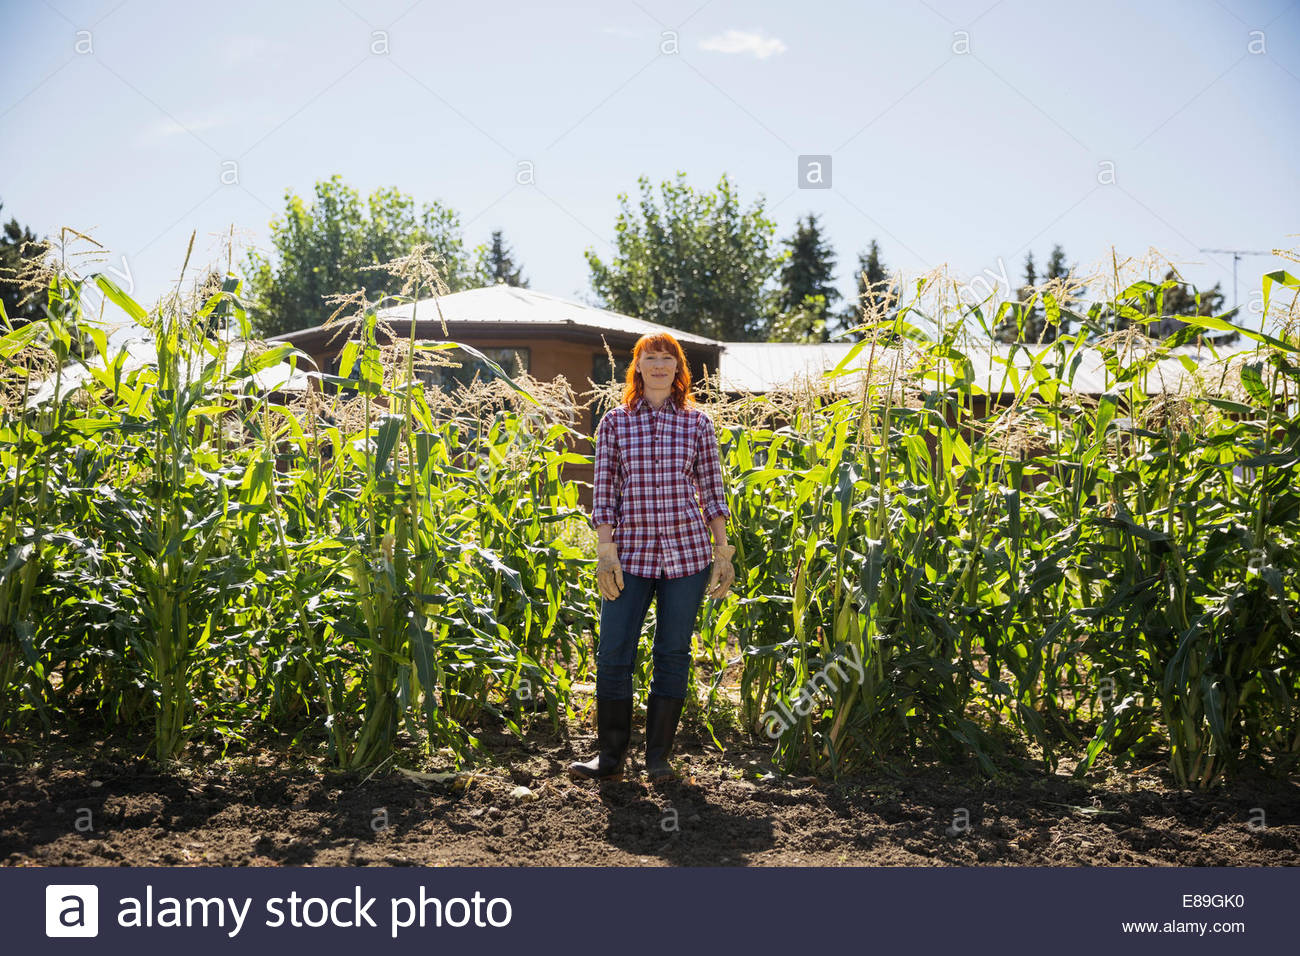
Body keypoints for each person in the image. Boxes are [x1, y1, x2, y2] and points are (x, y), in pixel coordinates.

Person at [569, 333, 736, 784]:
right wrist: (605, 551)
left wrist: (723, 552)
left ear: (678, 369)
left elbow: (712, 491)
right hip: (630, 555)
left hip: (688, 554)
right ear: (637, 368)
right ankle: (610, 759)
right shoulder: (615, 424)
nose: (659, 366)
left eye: (667, 359)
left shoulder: (697, 424)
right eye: (650, 359)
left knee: (673, 652)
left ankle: (658, 759)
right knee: (614, 652)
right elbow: (603, 492)